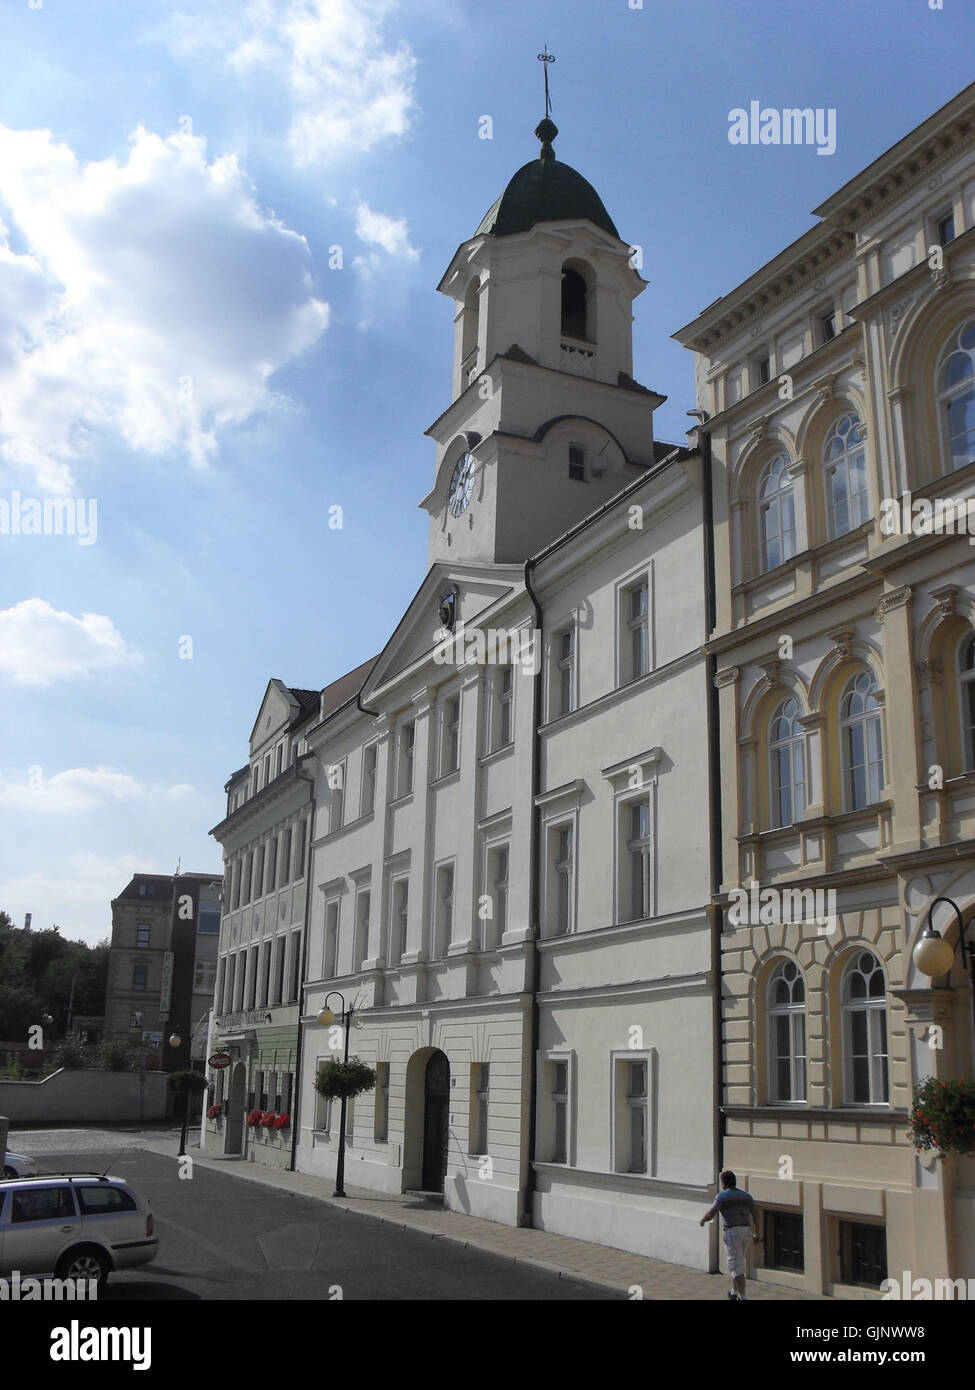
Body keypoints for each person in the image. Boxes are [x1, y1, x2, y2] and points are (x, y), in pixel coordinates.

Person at [700, 1170, 761, 1300]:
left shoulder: (722, 1196)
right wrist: (756, 1233)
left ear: (724, 1183)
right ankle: (734, 1292)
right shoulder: (746, 1196)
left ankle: (743, 1296)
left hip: (733, 1232)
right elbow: (756, 1213)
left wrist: (703, 1220)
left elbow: (712, 1212)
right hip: (746, 1232)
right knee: (738, 1261)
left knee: (736, 1265)